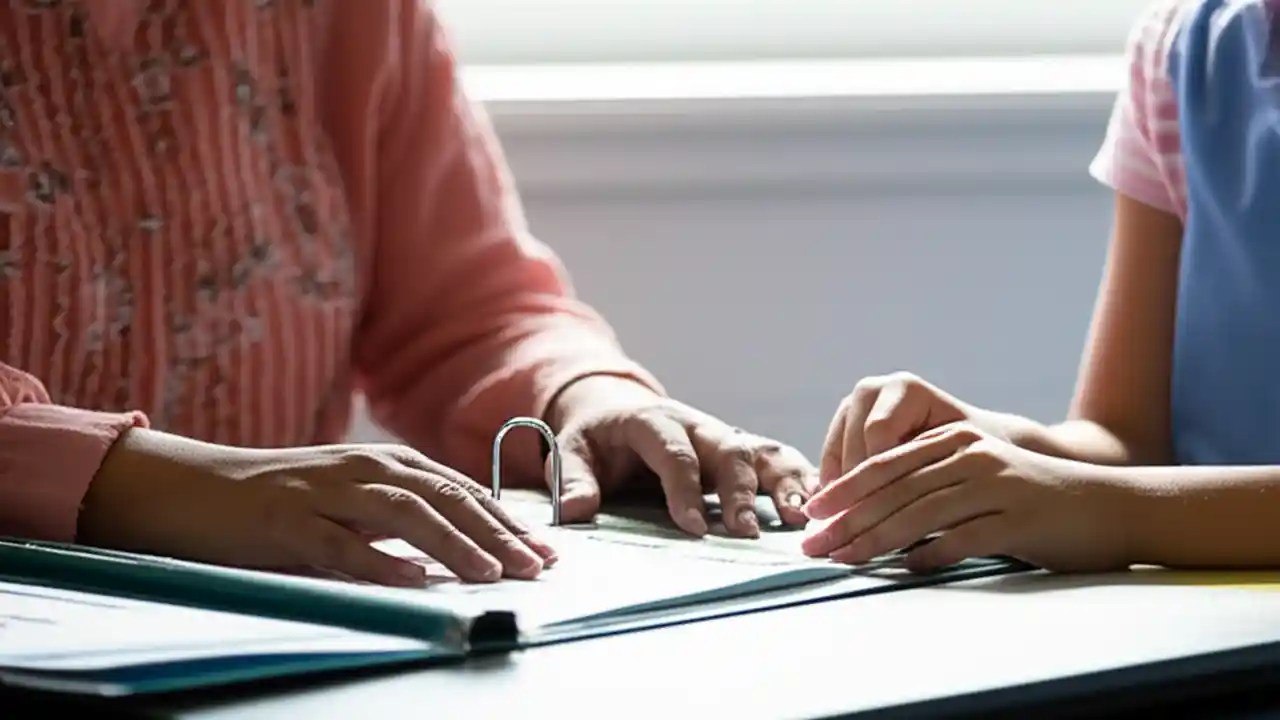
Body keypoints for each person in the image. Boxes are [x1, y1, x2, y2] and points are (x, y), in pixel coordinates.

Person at [0, 0, 817, 587]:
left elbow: (468, 313)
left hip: (289, 651)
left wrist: (582, 395)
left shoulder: (350, 17)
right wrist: (157, 484)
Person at [801, 0, 1280, 573]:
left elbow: (1111, 495)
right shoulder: (1179, 51)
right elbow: (1125, 437)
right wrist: (994, 444)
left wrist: (1116, 514)